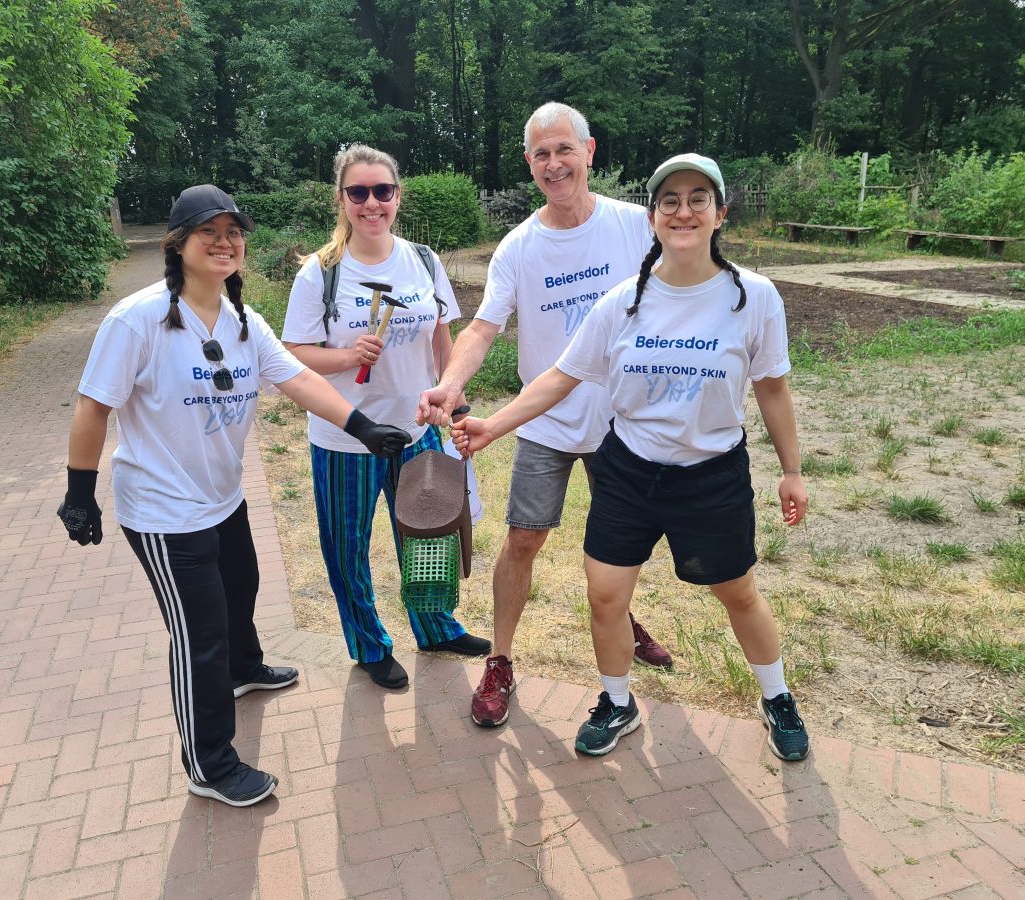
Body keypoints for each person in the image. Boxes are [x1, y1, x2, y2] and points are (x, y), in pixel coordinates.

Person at [58, 184, 411, 807]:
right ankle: (210, 764)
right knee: (200, 635)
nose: (224, 243)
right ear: (178, 245)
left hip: (221, 498)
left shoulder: (243, 320)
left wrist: (362, 427)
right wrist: (79, 492)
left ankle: (245, 672)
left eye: (234, 232)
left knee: (241, 589)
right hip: (166, 513)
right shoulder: (137, 319)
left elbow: (297, 377)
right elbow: (93, 406)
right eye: (208, 233)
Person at [451, 152, 812, 761]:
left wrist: (793, 470)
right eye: (670, 201)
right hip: (629, 472)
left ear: (720, 213)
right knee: (606, 596)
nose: (684, 210)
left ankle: (776, 697)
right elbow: (561, 376)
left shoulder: (755, 297)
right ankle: (618, 703)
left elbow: (772, 386)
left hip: (711, 475)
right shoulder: (623, 301)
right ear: (653, 218)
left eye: (699, 198)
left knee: (739, 592)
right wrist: (494, 426)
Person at [418, 102, 673, 730]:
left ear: (589, 151)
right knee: (524, 539)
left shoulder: (634, 226)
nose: (553, 164)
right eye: (540, 154)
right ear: (529, 164)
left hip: (623, 422)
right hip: (546, 420)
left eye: (564, 150)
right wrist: (450, 384)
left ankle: (621, 616)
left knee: (625, 544)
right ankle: (501, 661)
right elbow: (483, 326)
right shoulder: (519, 248)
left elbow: (678, 293)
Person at [282, 144, 491, 691]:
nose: (371, 203)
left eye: (383, 191)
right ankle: (369, 644)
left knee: (428, 538)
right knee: (347, 547)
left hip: (418, 428)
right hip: (346, 437)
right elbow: (292, 354)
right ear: (342, 200)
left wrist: (456, 401)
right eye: (359, 192)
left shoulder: (422, 259)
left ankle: (436, 626)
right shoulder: (320, 273)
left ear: (398, 197)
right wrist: (349, 357)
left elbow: (442, 334)